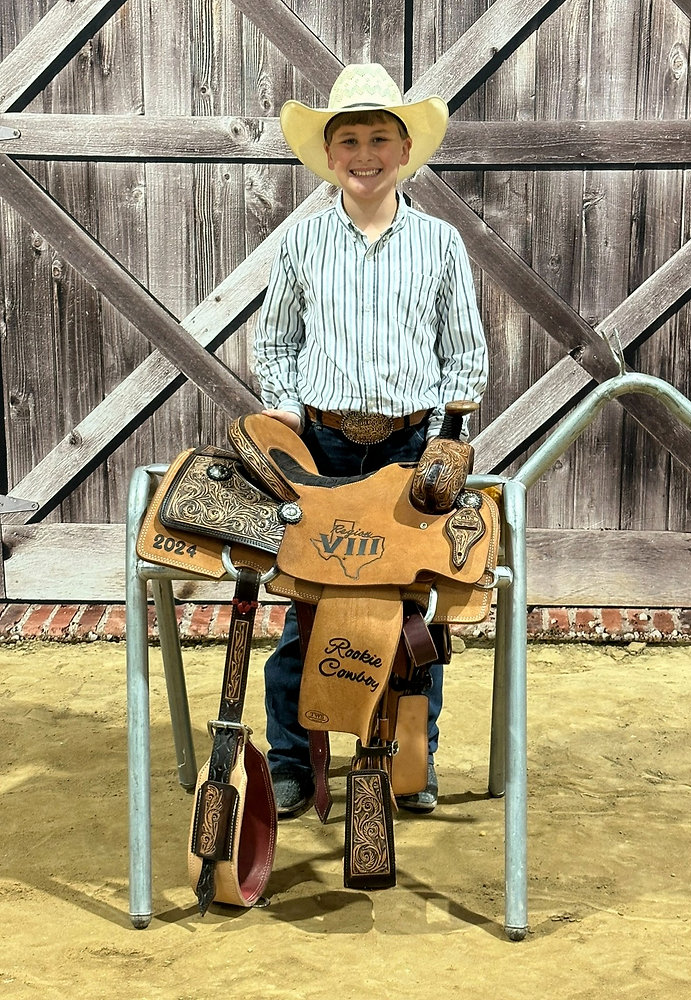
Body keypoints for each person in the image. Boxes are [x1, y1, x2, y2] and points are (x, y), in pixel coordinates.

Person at [254, 62, 488, 818]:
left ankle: (409, 761)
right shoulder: (301, 244)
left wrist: (447, 439)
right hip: (321, 444)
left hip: (409, 446)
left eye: (379, 138)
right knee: (307, 606)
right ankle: (292, 760)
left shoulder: (441, 244)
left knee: (414, 612)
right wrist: (285, 411)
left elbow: (465, 352)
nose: (364, 153)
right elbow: (276, 342)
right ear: (328, 154)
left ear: (404, 149)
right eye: (348, 138)